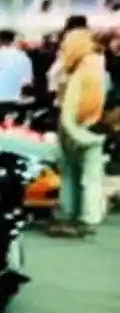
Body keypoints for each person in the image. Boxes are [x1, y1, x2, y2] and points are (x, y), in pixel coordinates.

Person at [50, 29, 108, 238]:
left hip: (83, 128)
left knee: (85, 175)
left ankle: (85, 217)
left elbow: (88, 101)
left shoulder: (91, 65)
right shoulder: (81, 65)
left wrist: (81, 124)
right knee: (76, 174)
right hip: (81, 127)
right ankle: (74, 214)